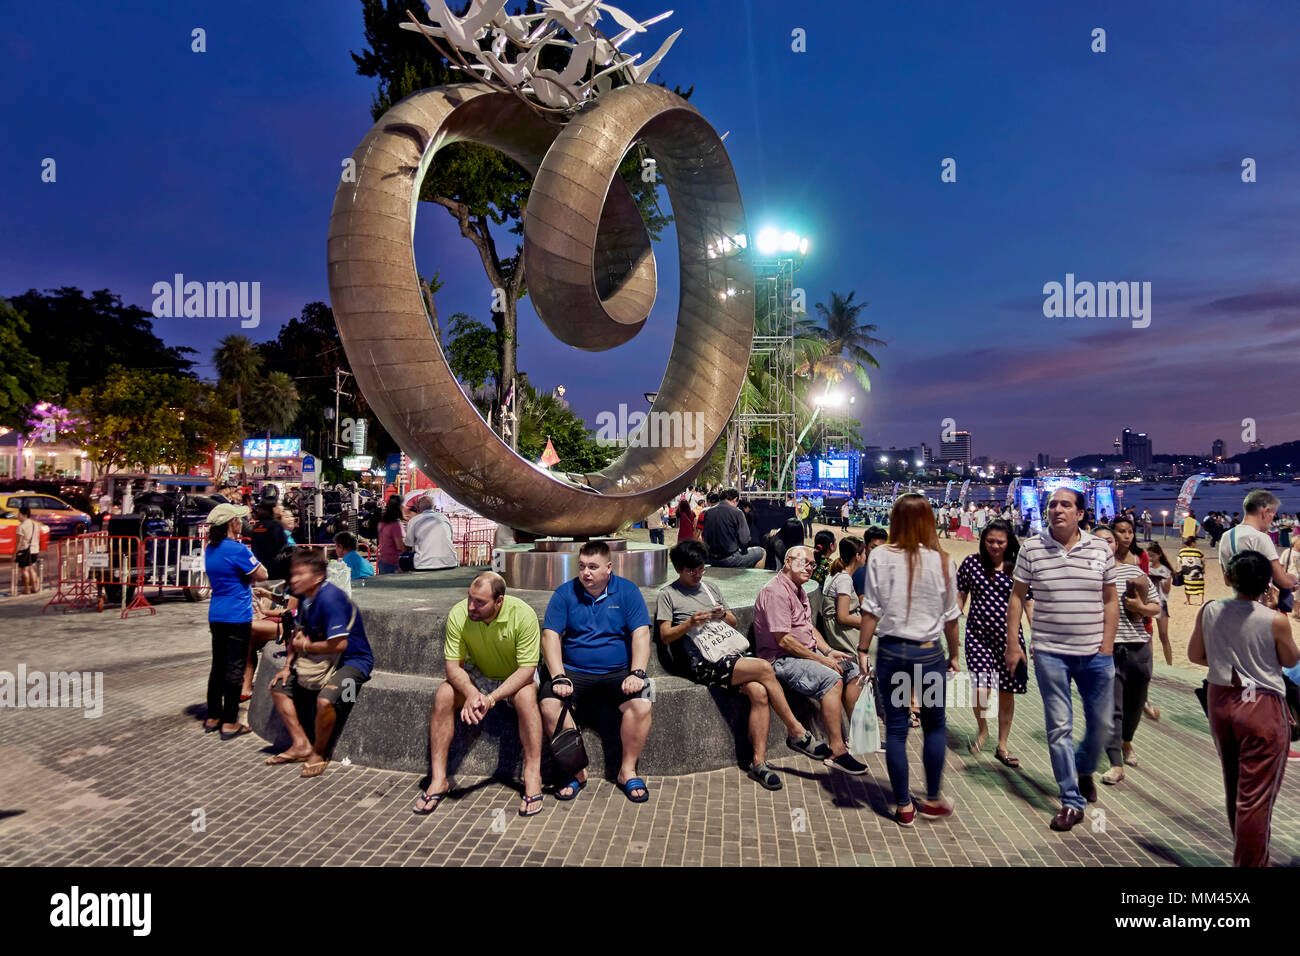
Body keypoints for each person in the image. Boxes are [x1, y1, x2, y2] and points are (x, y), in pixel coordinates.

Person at [655, 540, 816, 790]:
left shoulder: (710, 588)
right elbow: (665, 636)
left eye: (701, 569)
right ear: (678, 569)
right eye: (692, 571)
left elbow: (732, 623)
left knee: (759, 691)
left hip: (726, 653)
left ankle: (759, 763)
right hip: (701, 662)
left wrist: (720, 614)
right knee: (764, 668)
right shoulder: (669, 595)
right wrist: (689, 623)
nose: (698, 575)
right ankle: (796, 731)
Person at [1007, 488, 1118, 832]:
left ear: (1081, 513)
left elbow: (1111, 599)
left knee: (1102, 726)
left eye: (1065, 505)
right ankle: (1071, 800)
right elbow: (1017, 597)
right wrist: (1014, 643)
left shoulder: (1100, 548)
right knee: (1059, 728)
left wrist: (1107, 645)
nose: (1057, 509)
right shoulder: (1031, 549)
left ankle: (1084, 767)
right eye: (1052, 504)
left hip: (1095, 654)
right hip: (1050, 653)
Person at [1189, 550, 1300, 866]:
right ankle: (1251, 863)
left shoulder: (1210, 610)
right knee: (1255, 799)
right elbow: (1291, 659)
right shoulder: (1275, 619)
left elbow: (1197, 655)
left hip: (1222, 701)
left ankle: (1245, 853)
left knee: (1235, 783)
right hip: (1261, 706)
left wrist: (1230, 659)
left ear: (1228, 578)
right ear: (1268, 583)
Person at [858, 494, 961, 825]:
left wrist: (862, 650)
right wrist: (955, 653)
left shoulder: (879, 557)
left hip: (892, 653)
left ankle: (903, 806)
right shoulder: (943, 561)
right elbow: (951, 617)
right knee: (934, 726)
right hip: (928, 654)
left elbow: (870, 609)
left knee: (898, 730)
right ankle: (932, 799)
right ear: (930, 520)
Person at [414, 572, 545, 817]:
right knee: (444, 694)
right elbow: (453, 667)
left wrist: (491, 698)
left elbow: (527, 670)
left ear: (499, 601)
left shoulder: (523, 615)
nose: (472, 606)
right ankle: (439, 779)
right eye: (470, 598)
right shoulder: (459, 614)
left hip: (515, 675)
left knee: (526, 697)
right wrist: (472, 693)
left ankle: (532, 775)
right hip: (480, 673)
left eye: (480, 602)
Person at [539, 541, 654, 803]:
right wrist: (558, 675)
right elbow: (550, 636)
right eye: (581, 567)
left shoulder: (627, 591)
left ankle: (627, 770)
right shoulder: (565, 593)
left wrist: (637, 673)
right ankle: (575, 770)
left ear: (609, 568)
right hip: (573, 671)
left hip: (620, 671)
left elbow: (641, 633)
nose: (586, 573)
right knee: (548, 703)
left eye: (593, 567)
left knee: (645, 700)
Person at [754, 546, 868, 775]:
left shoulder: (798, 589)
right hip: (781, 659)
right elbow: (784, 640)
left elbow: (807, 626)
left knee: (854, 670)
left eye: (812, 564)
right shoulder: (776, 592)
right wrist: (821, 660)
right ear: (787, 562)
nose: (809, 568)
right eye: (804, 562)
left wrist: (827, 651)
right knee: (831, 678)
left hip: (803, 654)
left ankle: (854, 736)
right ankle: (837, 751)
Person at [266, 548, 374, 777]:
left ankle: (319, 752)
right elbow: (297, 632)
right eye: (293, 573)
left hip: (354, 662)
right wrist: (287, 667)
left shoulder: (330, 599)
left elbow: (340, 645)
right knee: (278, 687)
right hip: (321, 661)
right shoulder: (306, 598)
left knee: (326, 701)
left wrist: (305, 647)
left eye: (300, 574)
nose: (293, 579)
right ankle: (300, 744)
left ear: (317, 577)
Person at [957, 518, 1030, 767]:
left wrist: (1037, 636)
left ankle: (1002, 745)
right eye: (990, 541)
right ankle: (982, 728)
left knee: (1007, 692)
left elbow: (1028, 602)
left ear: (1009, 542)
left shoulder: (1019, 567)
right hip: (977, 637)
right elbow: (960, 595)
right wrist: (953, 619)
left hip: (1010, 640)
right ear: (982, 540)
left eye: (1000, 542)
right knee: (980, 689)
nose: (995, 546)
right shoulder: (972, 563)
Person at [1092, 523, 1161, 785]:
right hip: (1106, 649)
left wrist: (1140, 607)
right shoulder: (1087, 575)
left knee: (1134, 706)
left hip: (1138, 648)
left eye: (1108, 541)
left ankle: (1127, 742)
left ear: (1116, 544)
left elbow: (1156, 607)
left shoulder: (1134, 572)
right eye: (1098, 541)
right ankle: (1115, 764)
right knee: (1114, 709)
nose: (1105, 545)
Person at [202, 503, 268, 738]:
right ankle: (230, 721)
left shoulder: (211, 549)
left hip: (216, 613)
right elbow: (262, 574)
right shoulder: (238, 550)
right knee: (235, 668)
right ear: (232, 523)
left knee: (217, 666)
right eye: (239, 520)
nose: (242, 523)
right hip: (237, 616)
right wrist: (246, 577)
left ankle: (213, 716)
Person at [1218, 490, 1299, 601]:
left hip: (1237, 602)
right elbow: (1283, 581)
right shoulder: (1260, 537)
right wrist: (1293, 579)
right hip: (1259, 605)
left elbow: (1227, 581)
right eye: (1273, 514)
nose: (1272, 520)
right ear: (1266, 511)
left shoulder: (1226, 536)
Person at [820, 536, 866, 655]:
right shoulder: (844, 579)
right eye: (865, 553)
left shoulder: (837, 572)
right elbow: (843, 617)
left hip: (841, 626)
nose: (866, 556)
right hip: (840, 631)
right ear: (857, 556)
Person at [702, 488, 764, 568]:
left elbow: (705, 536)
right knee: (762, 552)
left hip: (711, 559)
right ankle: (756, 580)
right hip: (729, 559)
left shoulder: (708, 512)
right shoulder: (737, 512)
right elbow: (744, 540)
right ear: (735, 500)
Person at [403, 493, 458, 571]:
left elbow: (409, 543)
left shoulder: (414, 521)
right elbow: (450, 539)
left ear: (418, 508)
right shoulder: (444, 518)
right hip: (450, 562)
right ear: (434, 507)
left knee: (403, 559)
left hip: (424, 565)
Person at [247, 497, 291, 581]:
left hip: (261, 571)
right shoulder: (276, 525)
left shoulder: (257, 526)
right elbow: (284, 548)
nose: (281, 508)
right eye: (278, 505)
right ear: (273, 508)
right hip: (277, 573)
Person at [376, 495, 405, 574]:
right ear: (398, 508)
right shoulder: (395, 525)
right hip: (393, 563)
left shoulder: (381, 523)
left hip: (383, 560)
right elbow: (400, 546)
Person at [15, 505, 41, 595]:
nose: (17, 516)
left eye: (19, 514)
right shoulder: (35, 525)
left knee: (24, 570)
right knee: (31, 569)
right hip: (35, 550)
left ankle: (27, 589)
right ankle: (35, 587)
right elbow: (38, 538)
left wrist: (15, 553)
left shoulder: (21, 527)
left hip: (25, 550)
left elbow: (19, 542)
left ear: (24, 515)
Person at [1178, 537, 1206, 604]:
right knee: (1200, 585)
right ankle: (1201, 601)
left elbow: (1179, 561)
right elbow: (1203, 562)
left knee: (1187, 586)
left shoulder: (1182, 551)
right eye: (1195, 542)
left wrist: (1180, 569)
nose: (1196, 543)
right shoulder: (1198, 551)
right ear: (1193, 543)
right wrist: (1203, 570)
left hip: (1186, 571)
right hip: (1197, 571)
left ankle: (1188, 601)